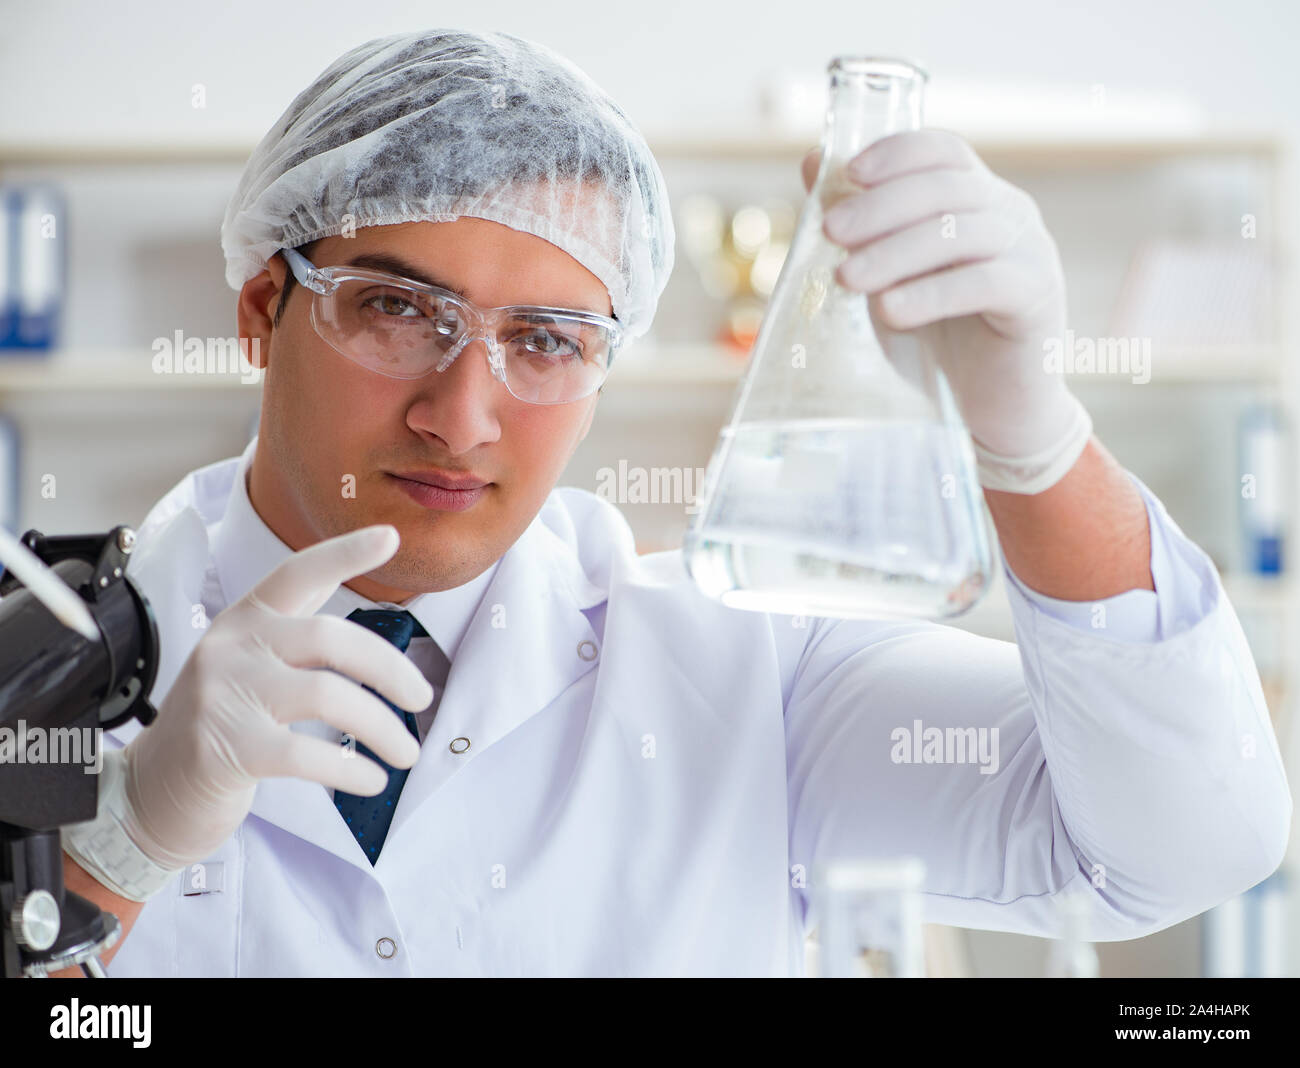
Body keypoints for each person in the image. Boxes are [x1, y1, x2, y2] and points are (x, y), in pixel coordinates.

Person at [58, 29, 1288, 977]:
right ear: (263, 311)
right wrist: (113, 852)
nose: (463, 415)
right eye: (396, 309)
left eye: (545, 340)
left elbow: (1185, 843)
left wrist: (1028, 431)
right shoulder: (36, 659)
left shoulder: (744, 669)